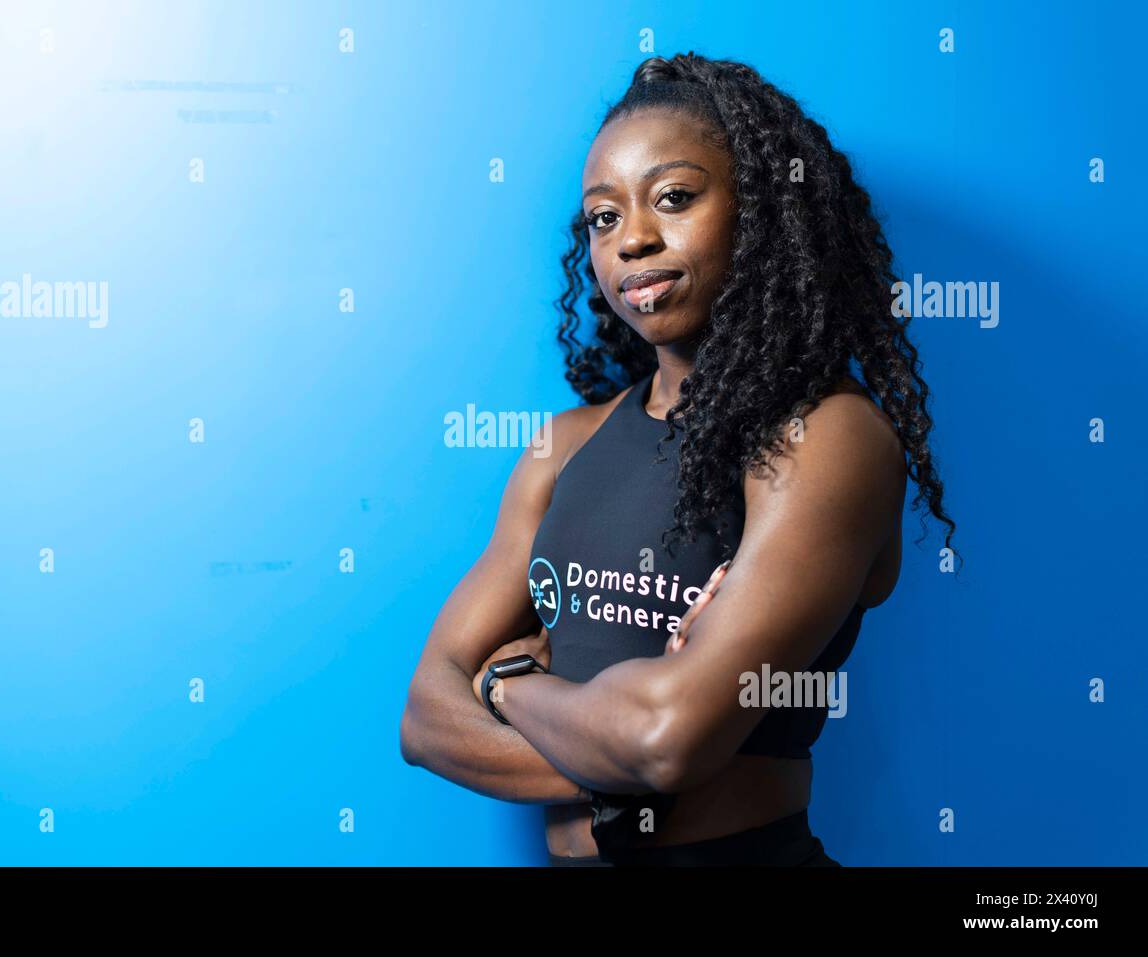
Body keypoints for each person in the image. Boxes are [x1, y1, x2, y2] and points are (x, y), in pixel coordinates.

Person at [399, 53, 957, 866]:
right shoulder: (565, 444)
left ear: (758, 211)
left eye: (674, 197)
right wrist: (619, 736)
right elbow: (422, 717)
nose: (634, 240)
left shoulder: (827, 439)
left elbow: (664, 739)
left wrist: (503, 687)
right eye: (603, 217)